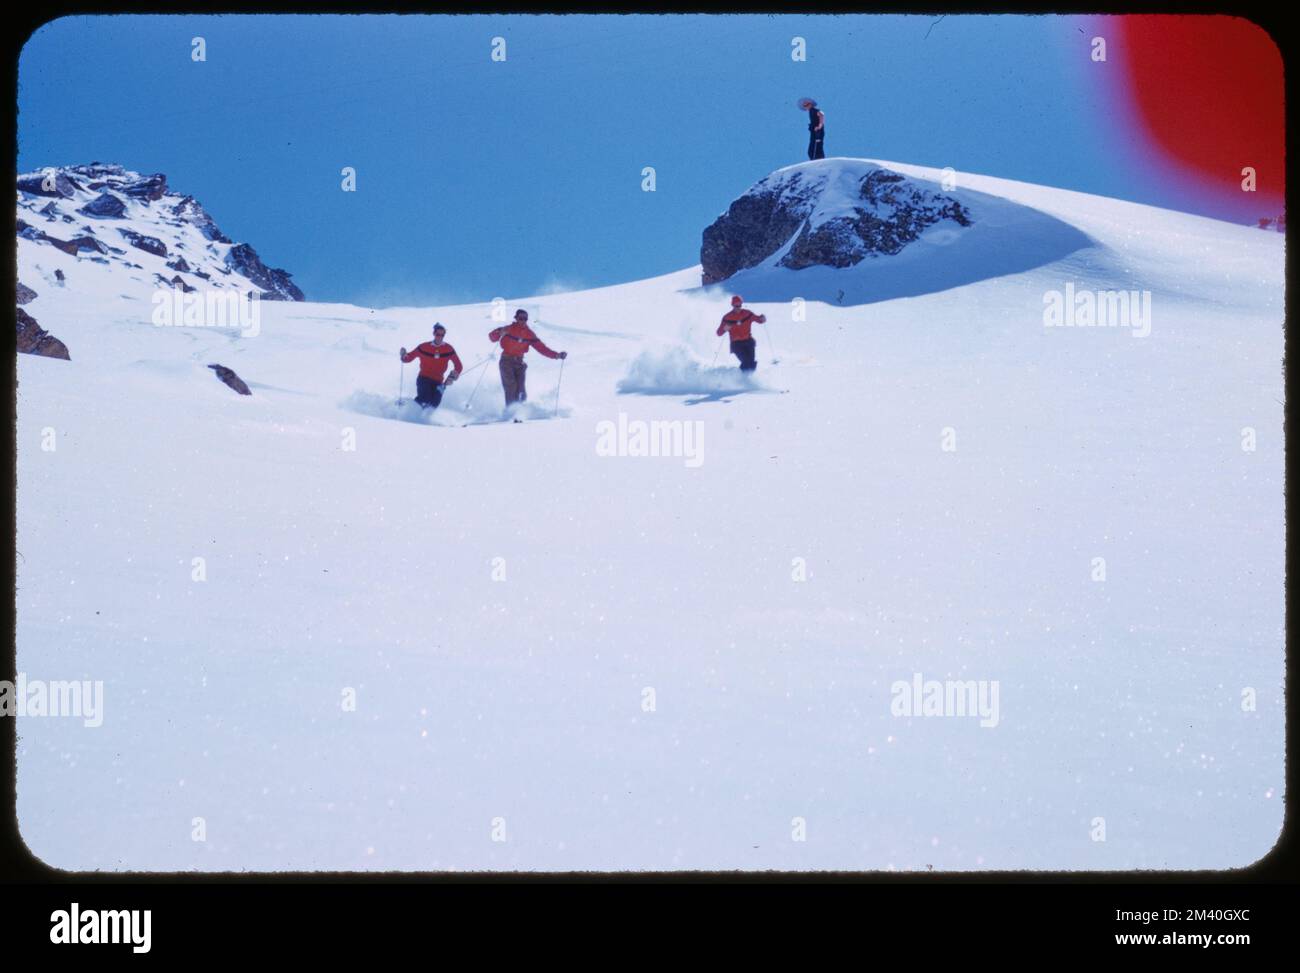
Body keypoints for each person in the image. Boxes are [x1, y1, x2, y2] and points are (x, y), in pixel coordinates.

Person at [488, 309, 566, 408]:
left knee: (521, 390)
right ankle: (510, 413)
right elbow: (491, 337)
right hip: (506, 361)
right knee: (511, 386)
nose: (523, 321)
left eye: (525, 319)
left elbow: (542, 348)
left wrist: (556, 355)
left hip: (519, 363)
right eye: (521, 318)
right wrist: (499, 332)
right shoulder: (508, 329)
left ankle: (519, 411)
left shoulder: (529, 334)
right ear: (516, 318)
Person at [400, 323, 463, 409]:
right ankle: (406, 409)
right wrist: (403, 356)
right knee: (424, 400)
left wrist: (451, 377)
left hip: (439, 382)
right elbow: (408, 358)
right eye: (438, 334)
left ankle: (423, 420)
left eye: (442, 335)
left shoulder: (448, 349)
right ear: (434, 334)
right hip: (424, 379)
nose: (440, 337)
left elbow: (458, 365)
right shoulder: (423, 347)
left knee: (433, 405)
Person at [717, 295, 765, 372]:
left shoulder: (747, 314)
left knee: (751, 364)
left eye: (740, 305)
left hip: (749, 342)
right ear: (732, 305)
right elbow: (719, 333)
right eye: (736, 306)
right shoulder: (727, 317)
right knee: (746, 362)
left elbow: (758, 320)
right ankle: (739, 378)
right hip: (736, 344)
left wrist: (762, 319)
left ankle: (748, 380)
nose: (738, 307)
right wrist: (724, 329)